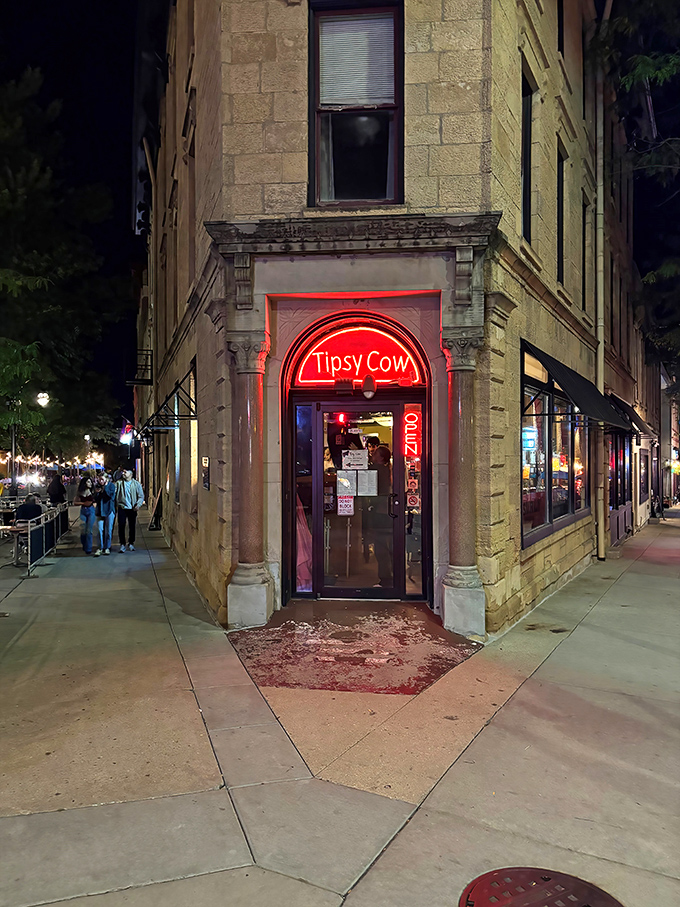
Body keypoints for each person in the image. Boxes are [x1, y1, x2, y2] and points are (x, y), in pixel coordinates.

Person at [115, 469, 144, 552]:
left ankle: (131, 543)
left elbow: (141, 496)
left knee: (132, 526)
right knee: (121, 526)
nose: (123, 474)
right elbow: (114, 492)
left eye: (125, 472)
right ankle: (122, 544)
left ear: (131, 474)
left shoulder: (136, 484)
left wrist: (138, 505)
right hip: (122, 507)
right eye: (123, 472)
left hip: (132, 508)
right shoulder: (119, 483)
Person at [94, 472, 116, 556]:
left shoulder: (111, 486)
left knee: (108, 530)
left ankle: (107, 547)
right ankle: (100, 547)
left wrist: (105, 487)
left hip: (109, 510)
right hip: (99, 510)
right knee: (99, 530)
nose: (100, 481)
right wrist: (97, 492)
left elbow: (111, 496)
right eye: (99, 479)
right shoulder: (97, 486)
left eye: (102, 479)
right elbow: (95, 498)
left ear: (106, 479)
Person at [73, 477, 96, 554]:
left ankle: (88, 548)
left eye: (90, 482)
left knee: (89, 530)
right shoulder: (80, 492)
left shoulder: (93, 491)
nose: (90, 483)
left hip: (91, 510)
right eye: (88, 482)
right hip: (83, 510)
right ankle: (84, 544)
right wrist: (83, 503)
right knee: (83, 530)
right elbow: (75, 502)